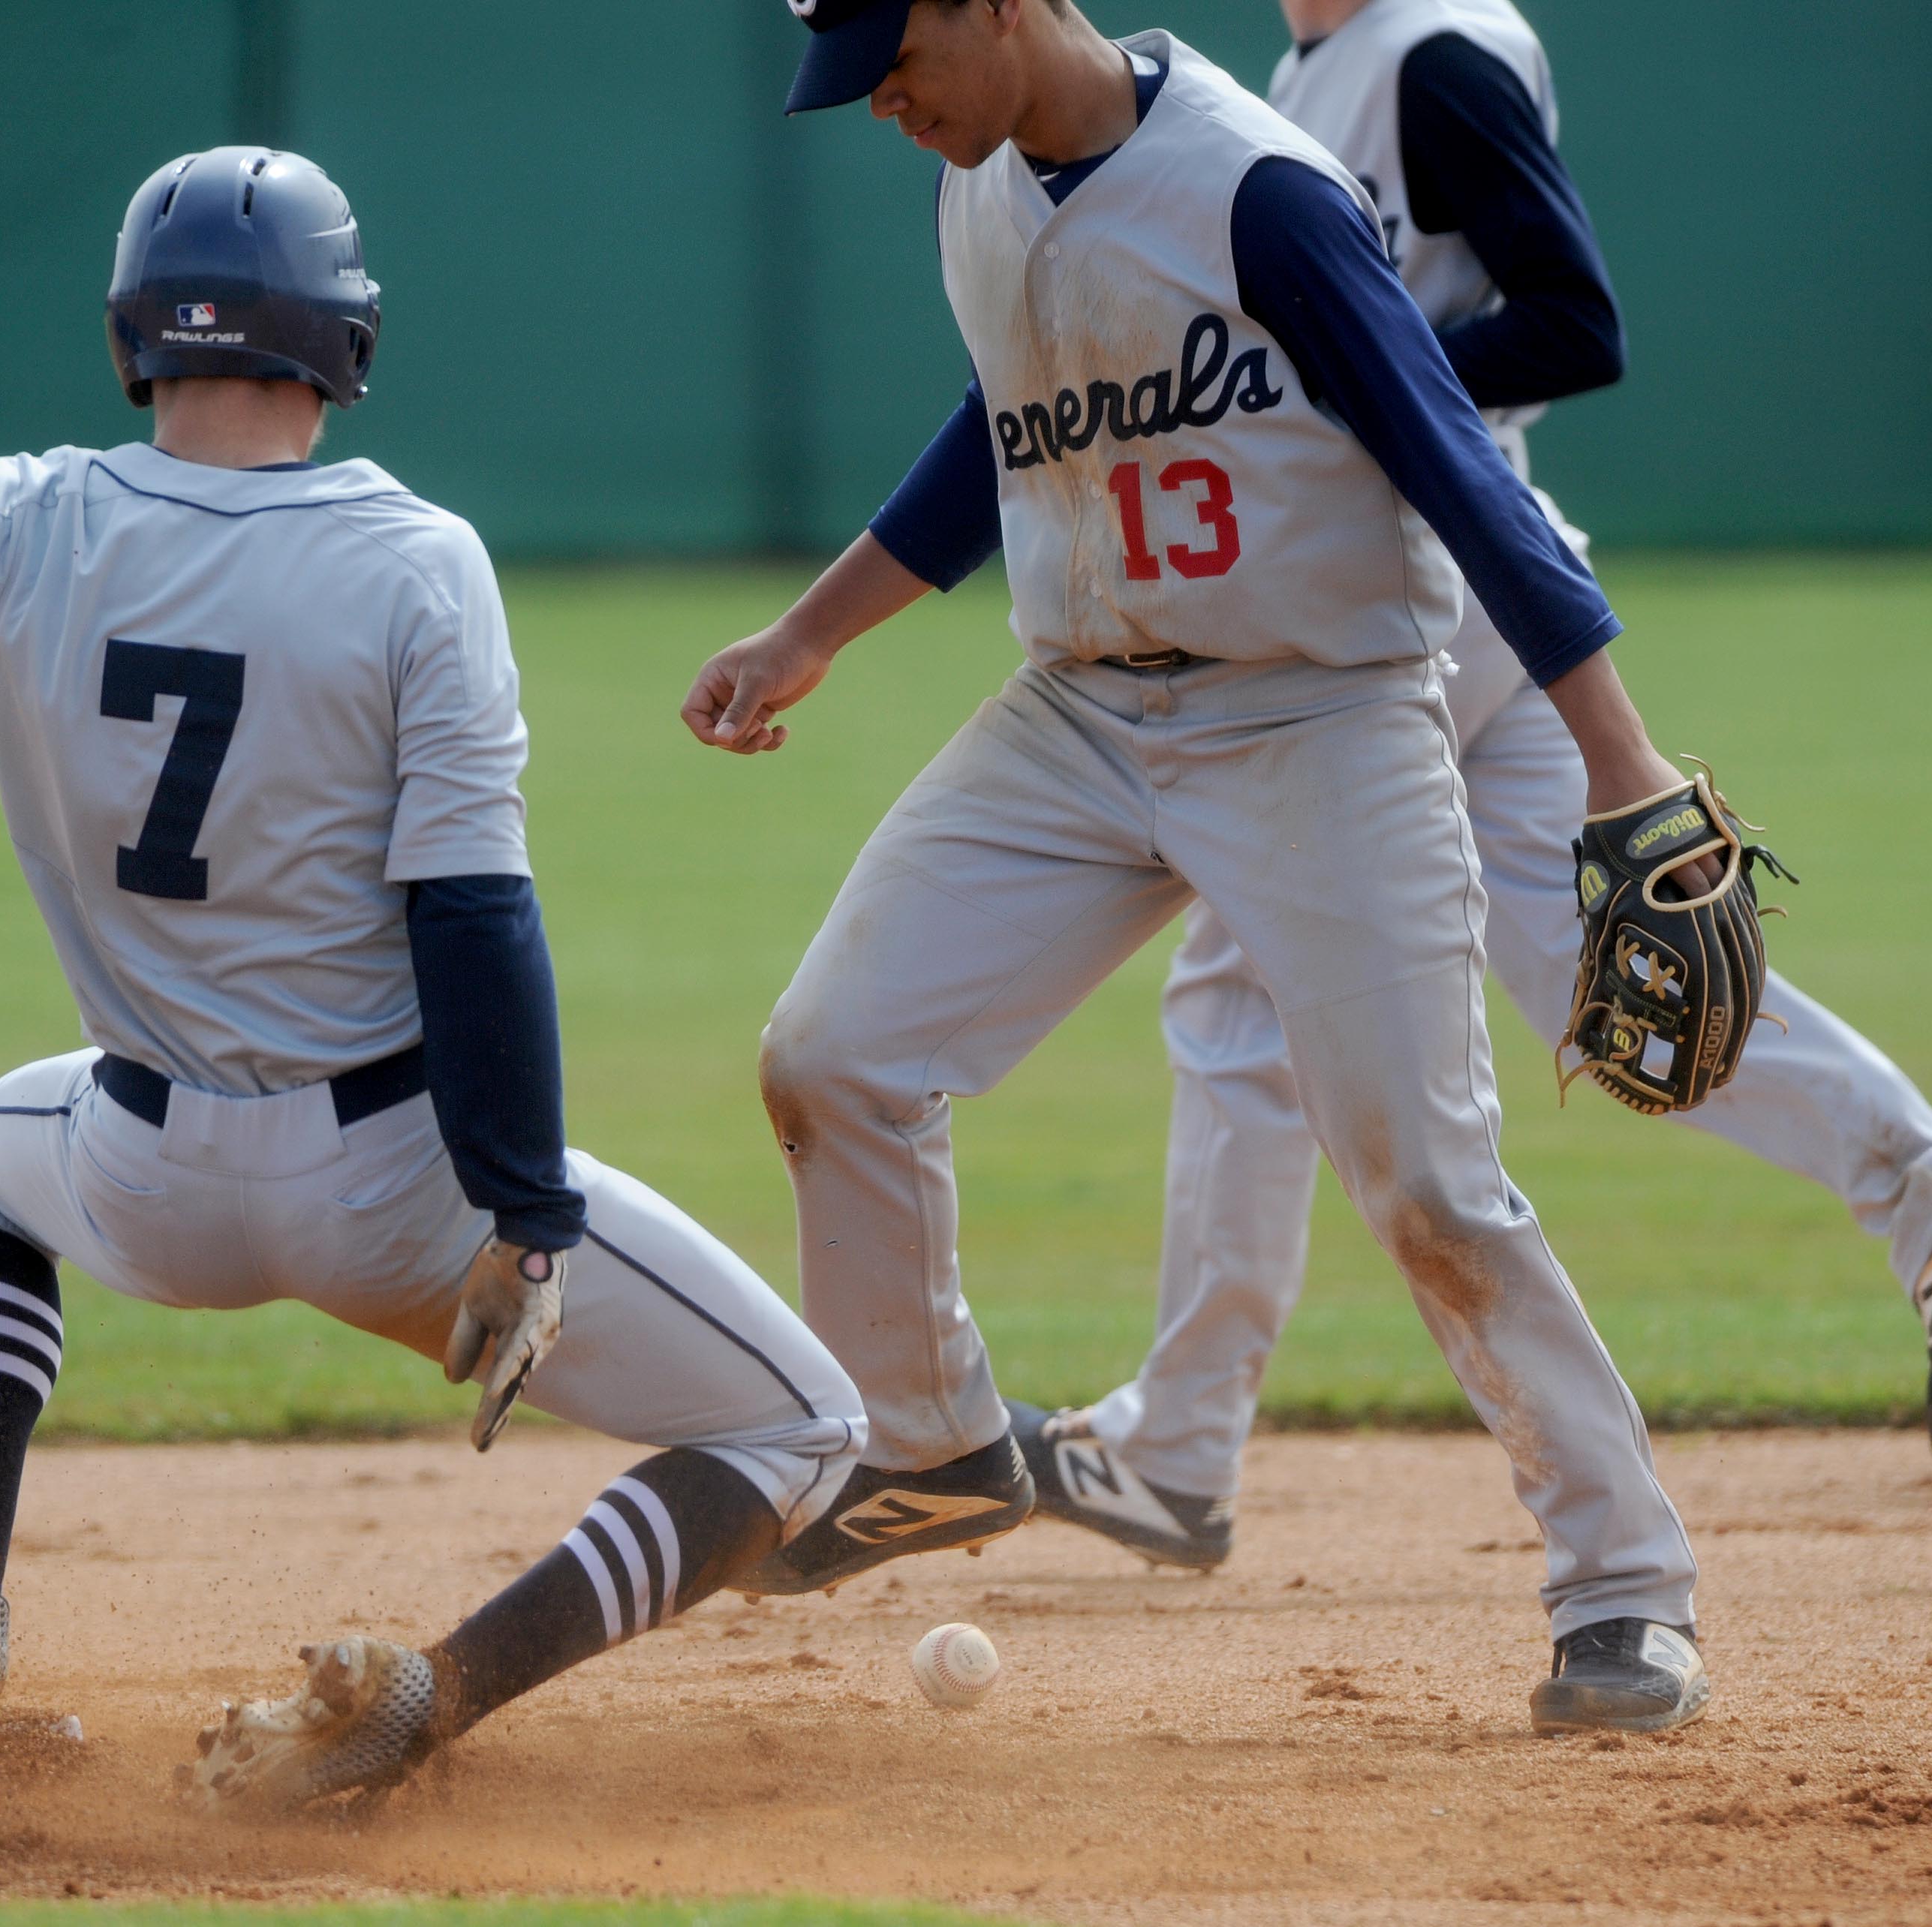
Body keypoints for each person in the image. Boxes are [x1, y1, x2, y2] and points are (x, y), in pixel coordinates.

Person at [0, 147, 865, 1808]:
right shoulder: (416, 561)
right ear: (345, 340)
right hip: (396, 1184)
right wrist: (528, 1212)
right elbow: (473, 913)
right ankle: (439, 1688)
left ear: (138, 340)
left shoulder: (19, 518)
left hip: (142, 1175)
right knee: (804, 1428)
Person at [683, 0, 1726, 1733]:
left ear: (992, 2)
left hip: (1317, 718)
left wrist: (1615, 754)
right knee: (833, 1055)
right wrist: (813, 634)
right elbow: (1002, 425)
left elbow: (1452, 463)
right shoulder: (982, 181)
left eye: (896, 59)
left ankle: (1626, 1594)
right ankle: (934, 1446)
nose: (882, 104)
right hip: (1081, 717)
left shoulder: (1257, 189)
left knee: (1427, 1185)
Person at [1004, 0, 1932, 1581]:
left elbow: (1574, 320)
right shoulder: (1316, 68)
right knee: (1588, 973)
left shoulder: (1434, 53)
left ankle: (1175, 1449)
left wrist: (1325, 375)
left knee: (1240, 1000)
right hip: (1433, 597)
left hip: (1414, 591)